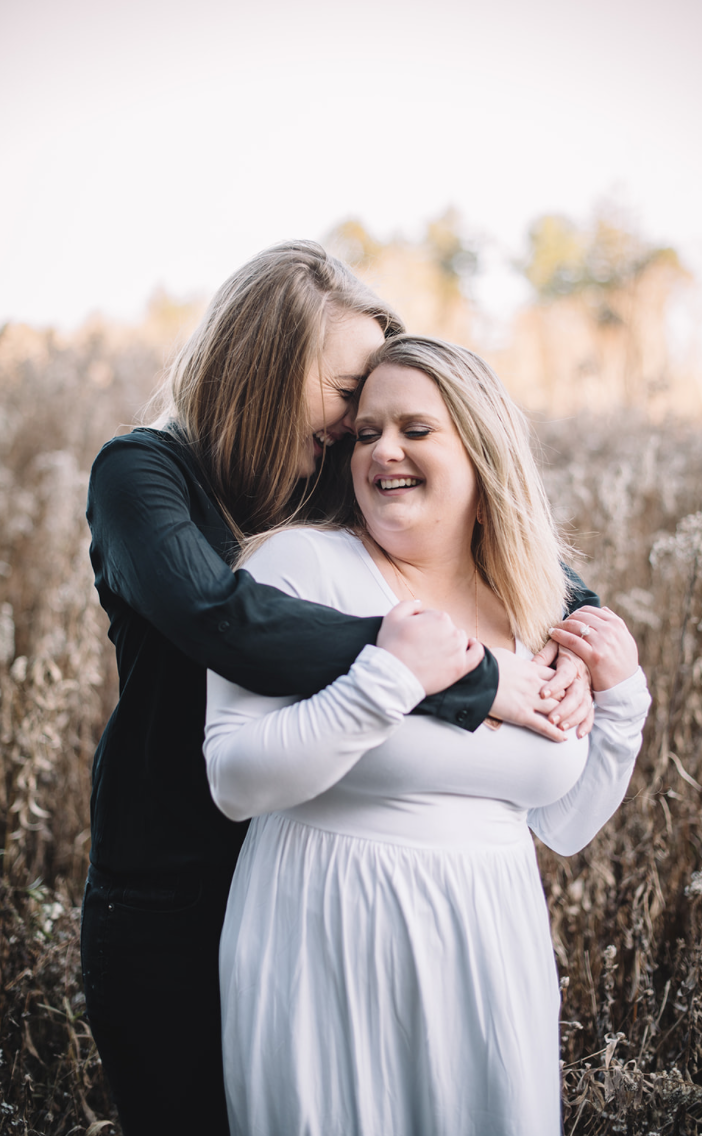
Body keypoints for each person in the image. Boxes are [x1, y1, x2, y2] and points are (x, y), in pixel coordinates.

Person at [82, 243, 595, 1135]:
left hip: (296, 890)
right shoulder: (143, 473)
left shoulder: (324, 470)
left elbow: (489, 531)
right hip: (167, 891)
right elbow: (219, 617)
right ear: (270, 369)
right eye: (345, 388)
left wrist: (579, 638)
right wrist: (462, 672)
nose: (358, 418)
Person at [204, 335, 651, 1136]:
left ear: (482, 449)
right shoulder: (297, 569)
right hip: (323, 939)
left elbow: (565, 823)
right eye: (367, 432)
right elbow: (235, 781)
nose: (384, 451)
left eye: (415, 429)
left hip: (491, 951)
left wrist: (624, 707)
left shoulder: (540, 610)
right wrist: (391, 678)